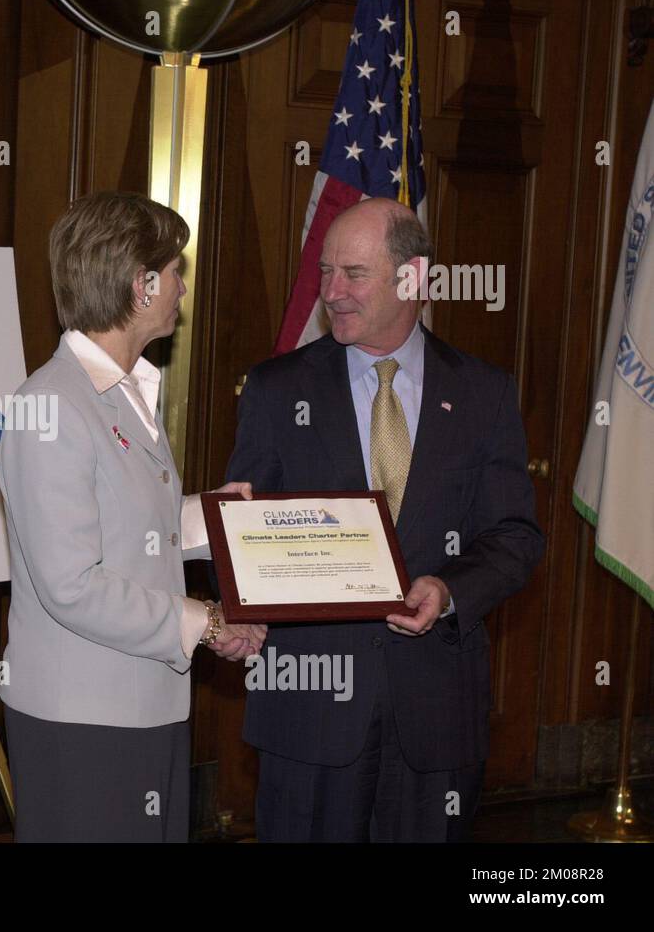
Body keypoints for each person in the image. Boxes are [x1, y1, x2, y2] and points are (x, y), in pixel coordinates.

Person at [226, 197, 544, 841]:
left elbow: (515, 536)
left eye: (354, 274)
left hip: (436, 715)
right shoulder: (276, 389)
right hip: (309, 711)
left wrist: (450, 588)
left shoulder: (485, 393)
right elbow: (247, 529)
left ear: (414, 279)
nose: (332, 292)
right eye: (326, 271)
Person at [0, 191, 266, 842]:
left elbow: (128, 524)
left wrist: (217, 517)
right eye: (175, 269)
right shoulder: (52, 405)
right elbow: (72, 583)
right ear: (139, 284)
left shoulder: (122, 391)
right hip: (83, 721)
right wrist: (205, 622)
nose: (182, 286)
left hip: (142, 703)